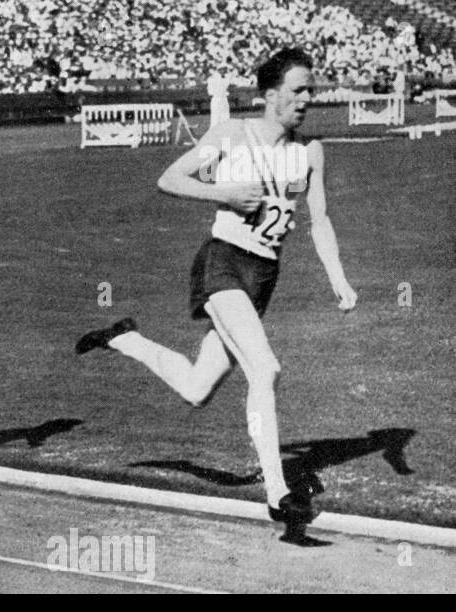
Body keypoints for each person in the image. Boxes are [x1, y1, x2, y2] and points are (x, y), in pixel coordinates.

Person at [76, 48, 357, 544]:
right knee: (265, 368)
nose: (307, 99)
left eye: (311, 90)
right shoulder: (232, 136)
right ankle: (278, 494)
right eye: (298, 91)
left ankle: (124, 338)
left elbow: (322, 219)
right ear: (271, 95)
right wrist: (222, 195)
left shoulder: (310, 151)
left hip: (263, 276)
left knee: (197, 387)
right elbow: (170, 178)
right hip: (223, 261)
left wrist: (337, 277)